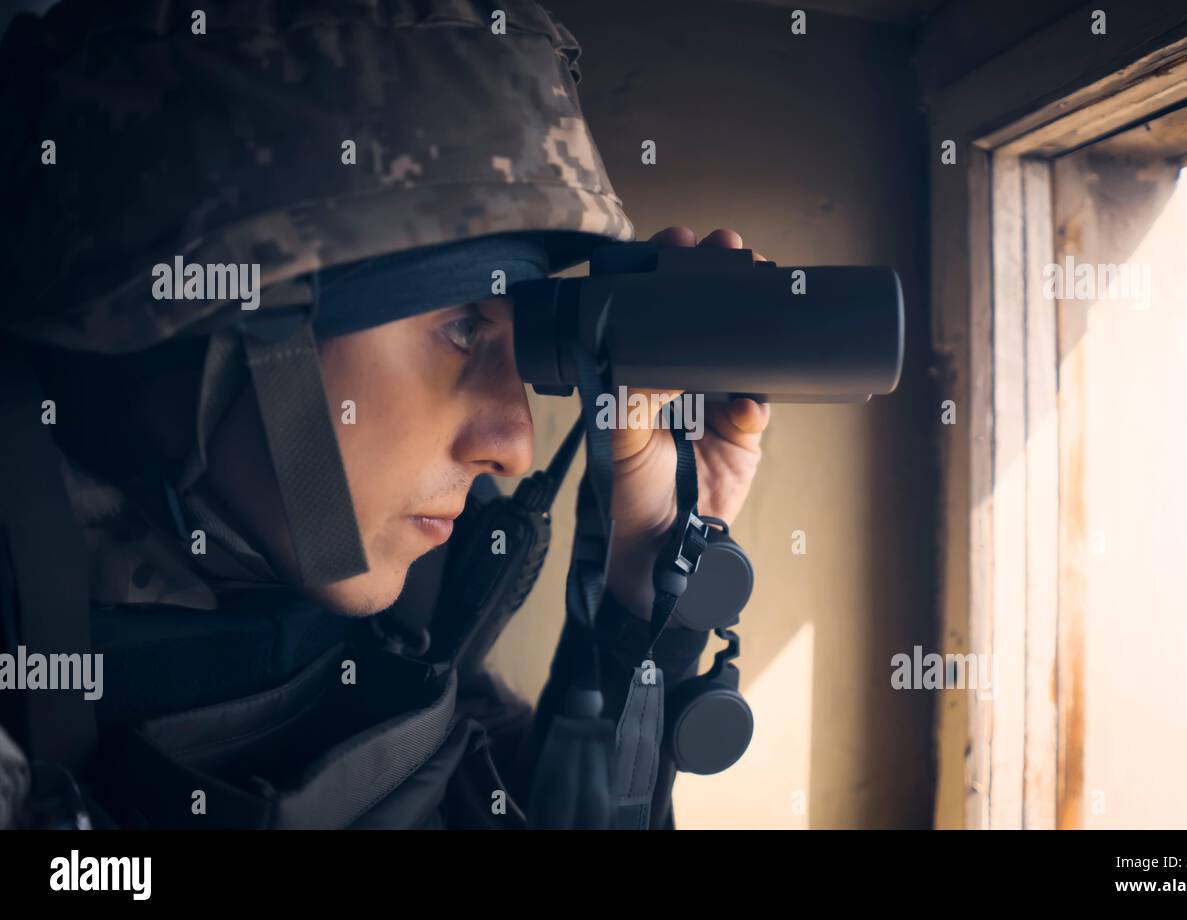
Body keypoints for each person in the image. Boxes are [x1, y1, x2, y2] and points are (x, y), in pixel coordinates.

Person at [0, 0, 768, 828]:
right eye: (464, 327)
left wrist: (642, 591)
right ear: (227, 324)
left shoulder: (404, 628)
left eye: (526, 341)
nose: (513, 448)